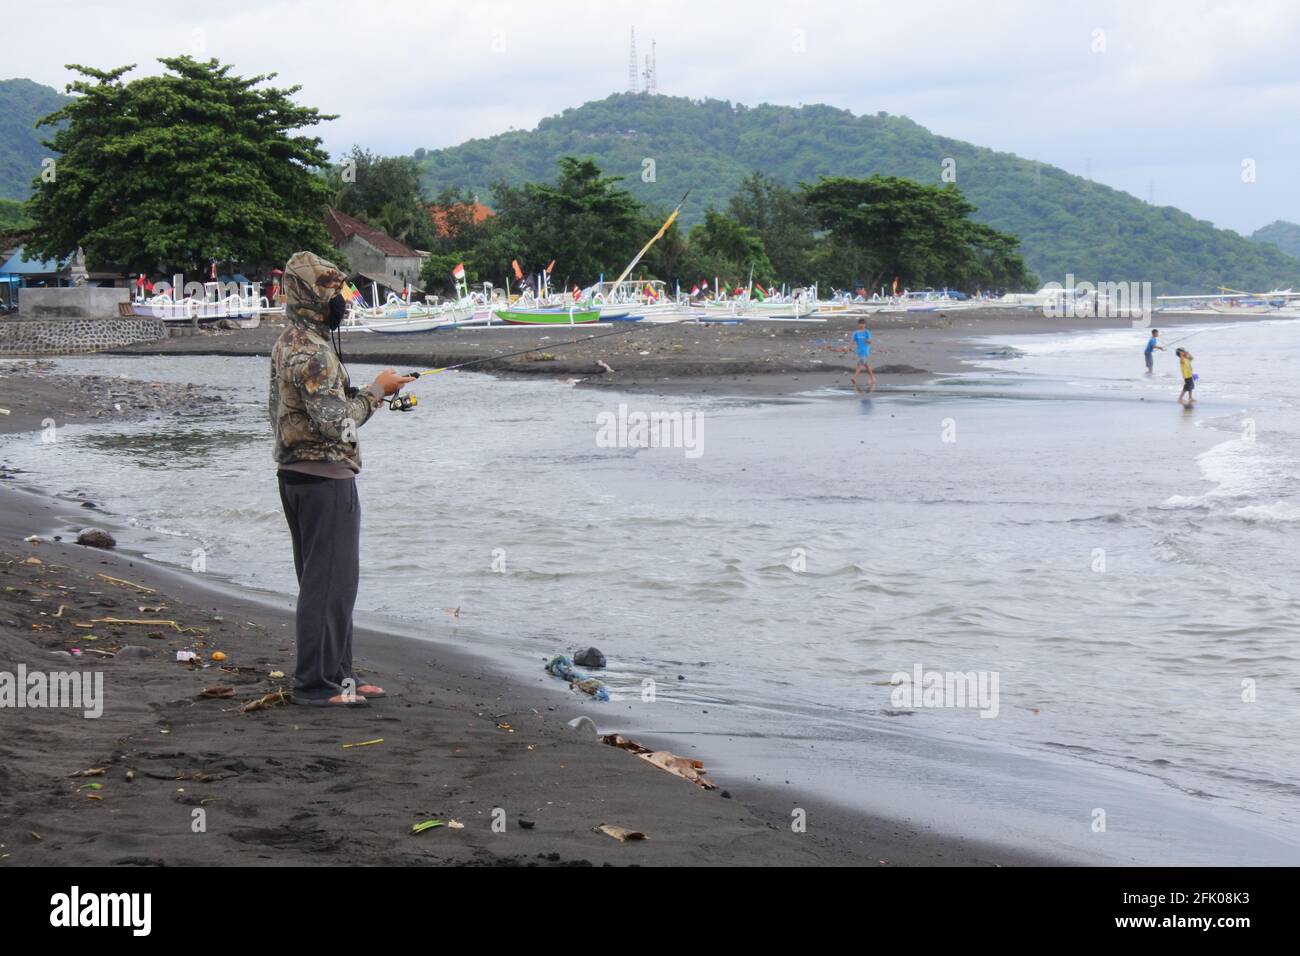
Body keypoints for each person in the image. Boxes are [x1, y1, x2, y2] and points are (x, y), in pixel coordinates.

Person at [269, 251, 414, 707]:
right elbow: (338, 425)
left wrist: (364, 393)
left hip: (300, 475)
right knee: (327, 585)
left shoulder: (295, 339)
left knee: (333, 583)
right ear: (314, 295)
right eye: (333, 290)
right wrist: (378, 392)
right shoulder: (311, 351)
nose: (342, 299)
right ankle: (315, 685)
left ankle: (339, 674)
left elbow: (317, 407)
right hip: (322, 478)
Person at [851, 318, 876, 391]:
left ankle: (854, 378)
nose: (862, 325)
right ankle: (873, 378)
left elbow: (870, 341)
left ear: (865, 325)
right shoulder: (855, 333)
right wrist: (848, 348)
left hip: (865, 351)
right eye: (860, 324)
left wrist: (868, 341)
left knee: (860, 364)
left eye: (863, 324)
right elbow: (852, 341)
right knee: (866, 365)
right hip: (859, 351)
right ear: (858, 324)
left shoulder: (867, 332)